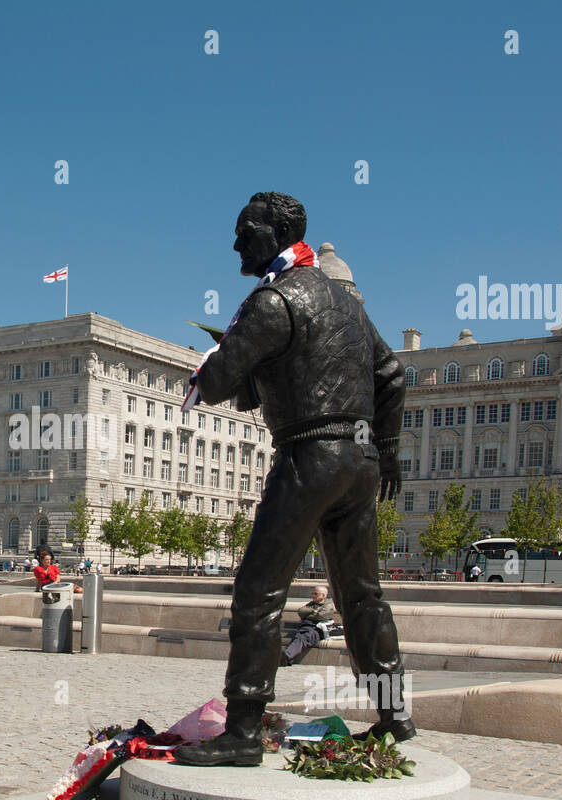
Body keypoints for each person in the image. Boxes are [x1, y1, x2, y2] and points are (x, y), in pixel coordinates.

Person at [176, 191, 413, 767]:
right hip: (359, 461)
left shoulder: (272, 300)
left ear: (273, 234)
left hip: (309, 453)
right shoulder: (346, 302)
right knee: (362, 594)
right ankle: (393, 715)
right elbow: (393, 374)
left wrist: (218, 357)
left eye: (244, 231)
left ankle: (242, 732)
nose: (235, 243)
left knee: (258, 590)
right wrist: (384, 449)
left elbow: (218, 382)